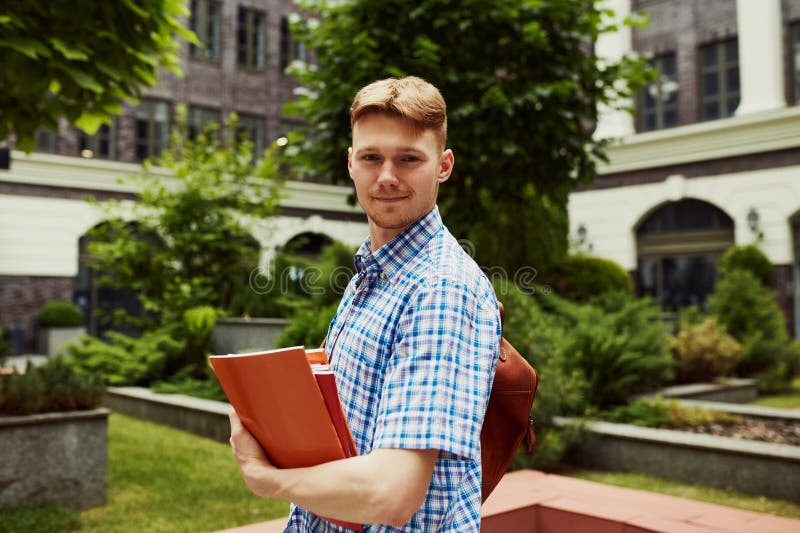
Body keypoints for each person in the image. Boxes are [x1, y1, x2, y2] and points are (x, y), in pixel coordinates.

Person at [228, 76, 501, 532]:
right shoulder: (370, 275)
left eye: (409, 159)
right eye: (372, 157)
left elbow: (392, 495)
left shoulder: (440, 289)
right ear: (351, 163)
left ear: (444, 166)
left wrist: (266, 478)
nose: (388, 176)